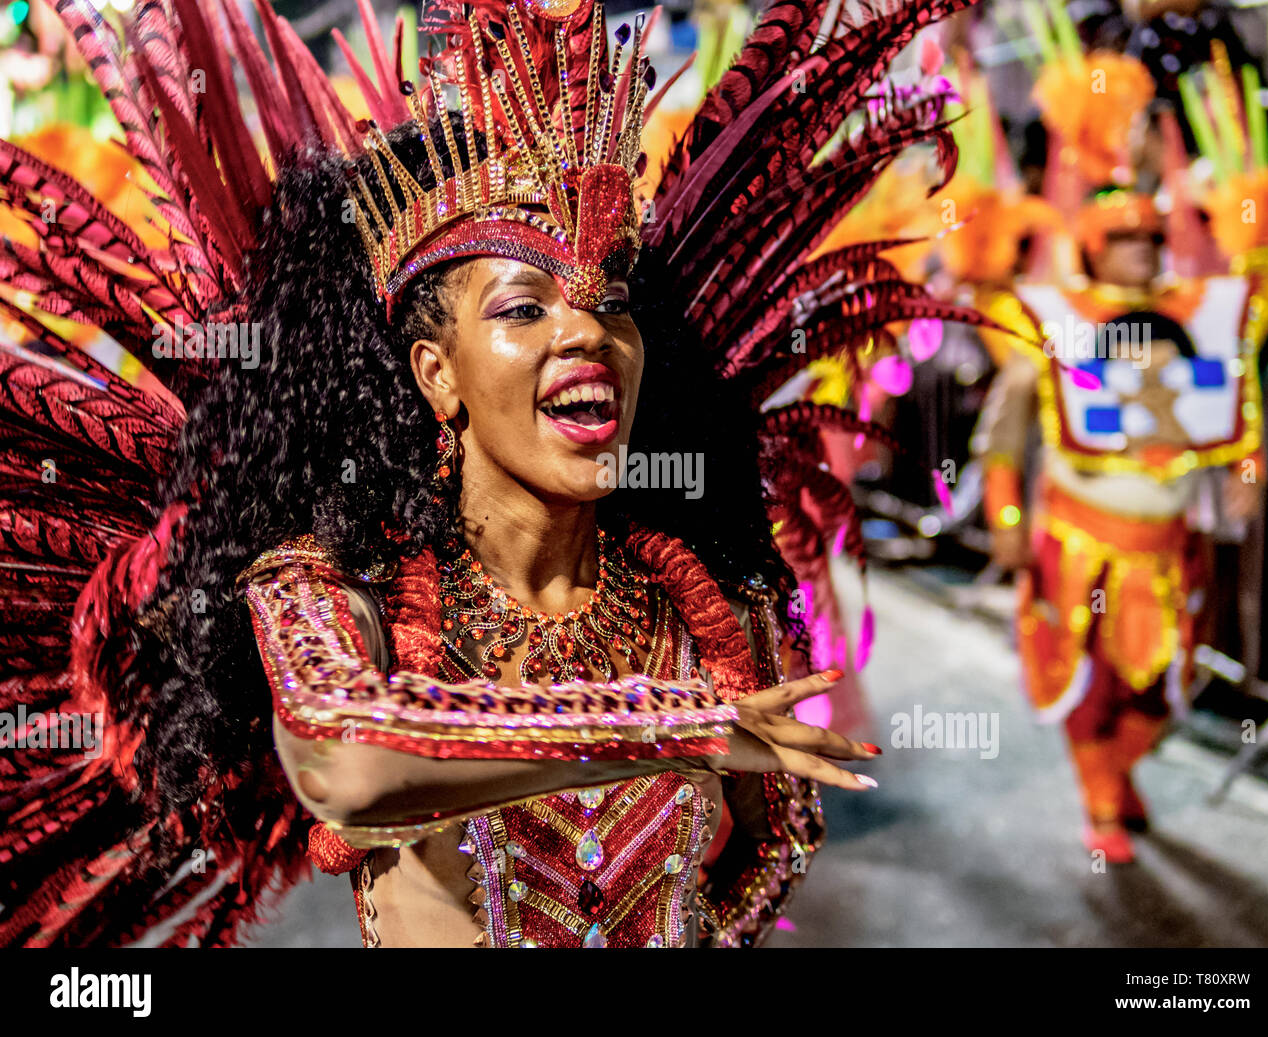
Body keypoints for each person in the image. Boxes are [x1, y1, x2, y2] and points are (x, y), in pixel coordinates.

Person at [0, 0, 982, 946]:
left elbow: (780, 833)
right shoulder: (329, 590)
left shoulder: (710, 602)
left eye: (612, 303)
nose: (587, 331)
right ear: (436, 374)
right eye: (523, 309)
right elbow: (350, 760)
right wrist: (674, 728)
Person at [974, 195, 1268, 862]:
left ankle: (1119, 767)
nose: (1141, 244)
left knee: (1164, 683)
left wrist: (1249, 473)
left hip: (1173, 544)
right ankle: (1101, 799)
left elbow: (1234, 401)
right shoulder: (1052, 322)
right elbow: (1002, 436)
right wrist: (1006, 518)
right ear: (1093, 245)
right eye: (1123, 234)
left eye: (1150, 233)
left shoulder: (1198, 313)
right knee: (1090, 682)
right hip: (1083, 544)